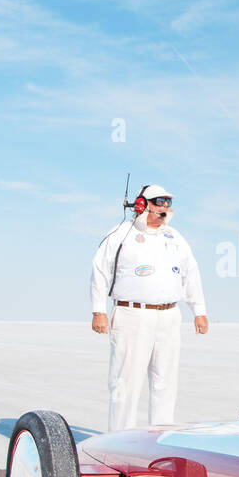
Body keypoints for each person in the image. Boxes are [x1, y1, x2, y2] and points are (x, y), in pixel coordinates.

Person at [90, 184, 208, 431]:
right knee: (126, 383)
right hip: (132, 314)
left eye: (168, 202)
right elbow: (100, 271)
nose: (165, 207)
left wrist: (199, 311)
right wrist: (98, 310)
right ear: (142, 204)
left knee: (165, 382)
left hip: (168, 316)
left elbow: (191, 273)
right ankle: (120, 442)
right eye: (159, 201)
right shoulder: (121, 234)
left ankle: (158, 443)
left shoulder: (174, 237)